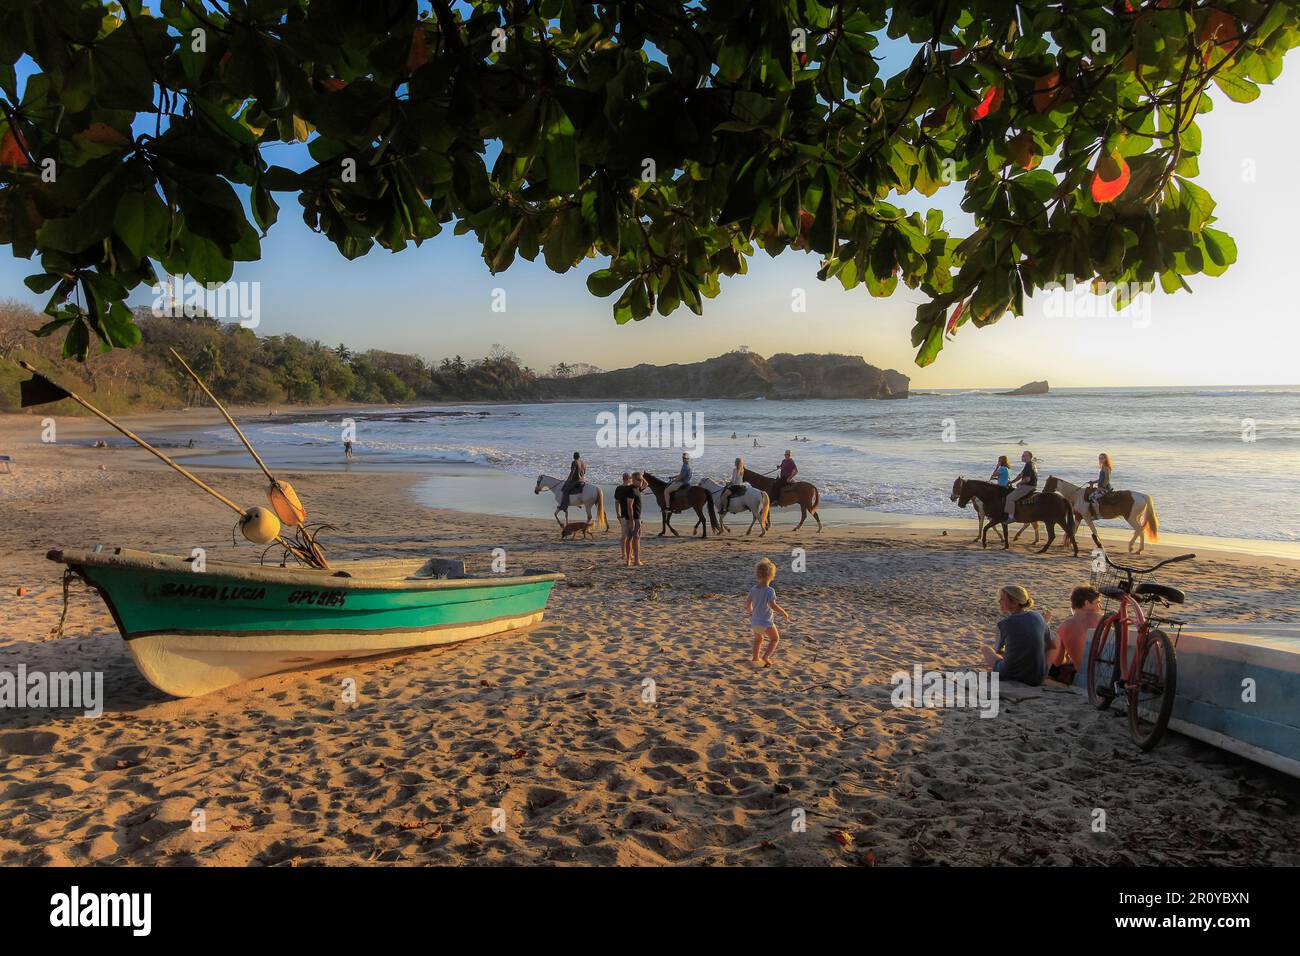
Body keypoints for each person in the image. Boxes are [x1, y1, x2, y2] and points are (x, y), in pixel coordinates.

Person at [980, 585, 1057, 686]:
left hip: (1009, 674)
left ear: (1015, 602)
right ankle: (1042, 669)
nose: (999, 601)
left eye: (1002, 599)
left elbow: (998, 651)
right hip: (1036, 678)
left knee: (985, 649)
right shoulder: (1038, 616)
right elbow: (1051, 645)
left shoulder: (1003, 624)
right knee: (1053, 638)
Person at [1048, 586, 1103, 682]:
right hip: (1104, 672)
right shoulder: (1102, 619)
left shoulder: (1064, 626)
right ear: (1086, 603)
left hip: (1083, 676)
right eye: (1097, 602)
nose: (1100, 606)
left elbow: (1057, 662)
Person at [746, 558, 790, 668]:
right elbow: (772, 605)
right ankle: (766, 657)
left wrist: (751, 612)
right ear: (771, 575)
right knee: (775, 639)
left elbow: (747, 603)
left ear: (758, 575)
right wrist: (783, 612)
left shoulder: (753, 589)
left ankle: (755, 657)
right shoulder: (770, 590)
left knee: (758, 640)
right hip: (766, 621)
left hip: (755, 621)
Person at [614, 472, 644, 567]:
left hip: (632, 517)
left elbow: (646, 484)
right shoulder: (631, 490)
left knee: (630, 538)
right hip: (633, 518)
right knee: (635, 538)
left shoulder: (637, 488)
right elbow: (629, 506)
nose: (641, 481)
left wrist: (642, 477)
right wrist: (631, 520)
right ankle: (635, 560)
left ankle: (629, 560)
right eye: (639, 480)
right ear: (633, 480)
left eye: (641, 480)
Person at [1002, 449, 1037, 520]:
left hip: (1028, 486)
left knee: (1009, 497)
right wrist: (1012, 481)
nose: (1022, 457)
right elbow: (1021, 475)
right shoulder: (1031, 464)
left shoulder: (1028, 465)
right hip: (1031, 485)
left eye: (1025, 456)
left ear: (1029, 457)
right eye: (1022, 455)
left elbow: (1027, 479)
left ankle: (1011, 517)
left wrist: (1019, 483)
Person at [1084, 452, 1114, 519]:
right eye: (1099, 458)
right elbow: (1101, 479)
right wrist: (1093, 482)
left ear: (1106, 459)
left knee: (1092, 497)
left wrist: (1102, 488)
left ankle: (1098, 515)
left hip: (1106, 488)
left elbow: (1107, 479)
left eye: (1102, 458)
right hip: (1101, 487)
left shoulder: (1106, 468)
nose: (1100, 459)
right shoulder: (1102, 467)